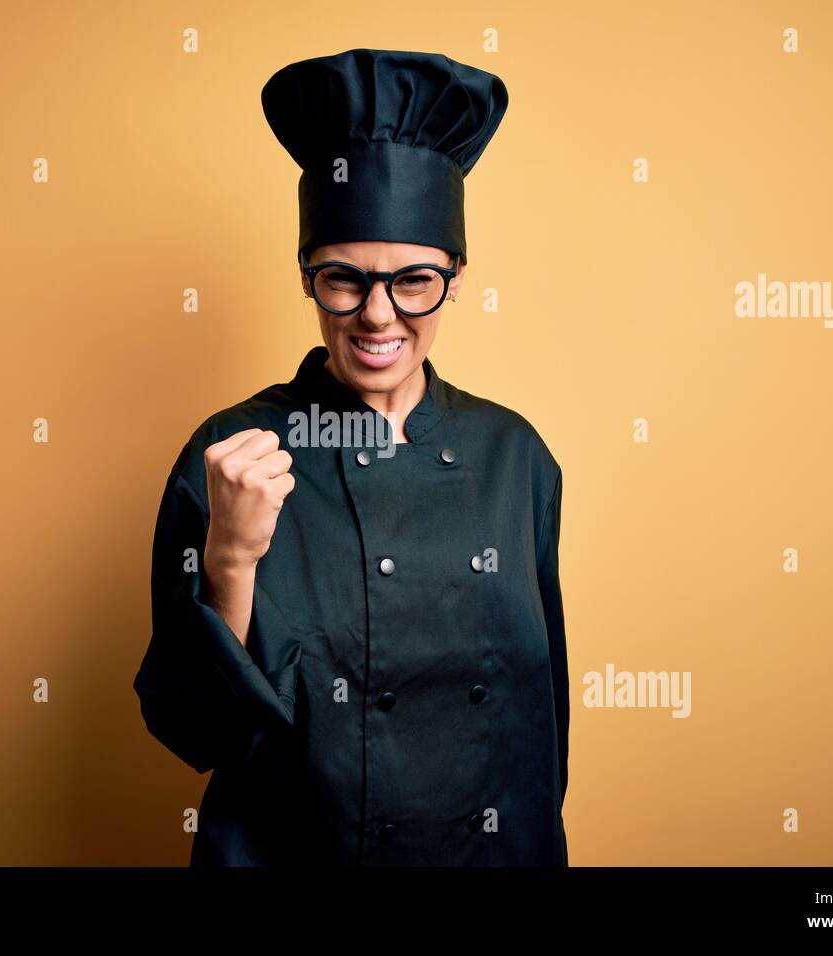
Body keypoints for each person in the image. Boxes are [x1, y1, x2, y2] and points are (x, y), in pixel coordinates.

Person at [133, 48, 569, 866]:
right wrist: (230, 553)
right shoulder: (229, 455)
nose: (378, 316)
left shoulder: (515, 458)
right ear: (307, 277)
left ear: (456, 277)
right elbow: (190, 729)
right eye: (345, 279)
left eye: (413, 281)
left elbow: (541, 728)